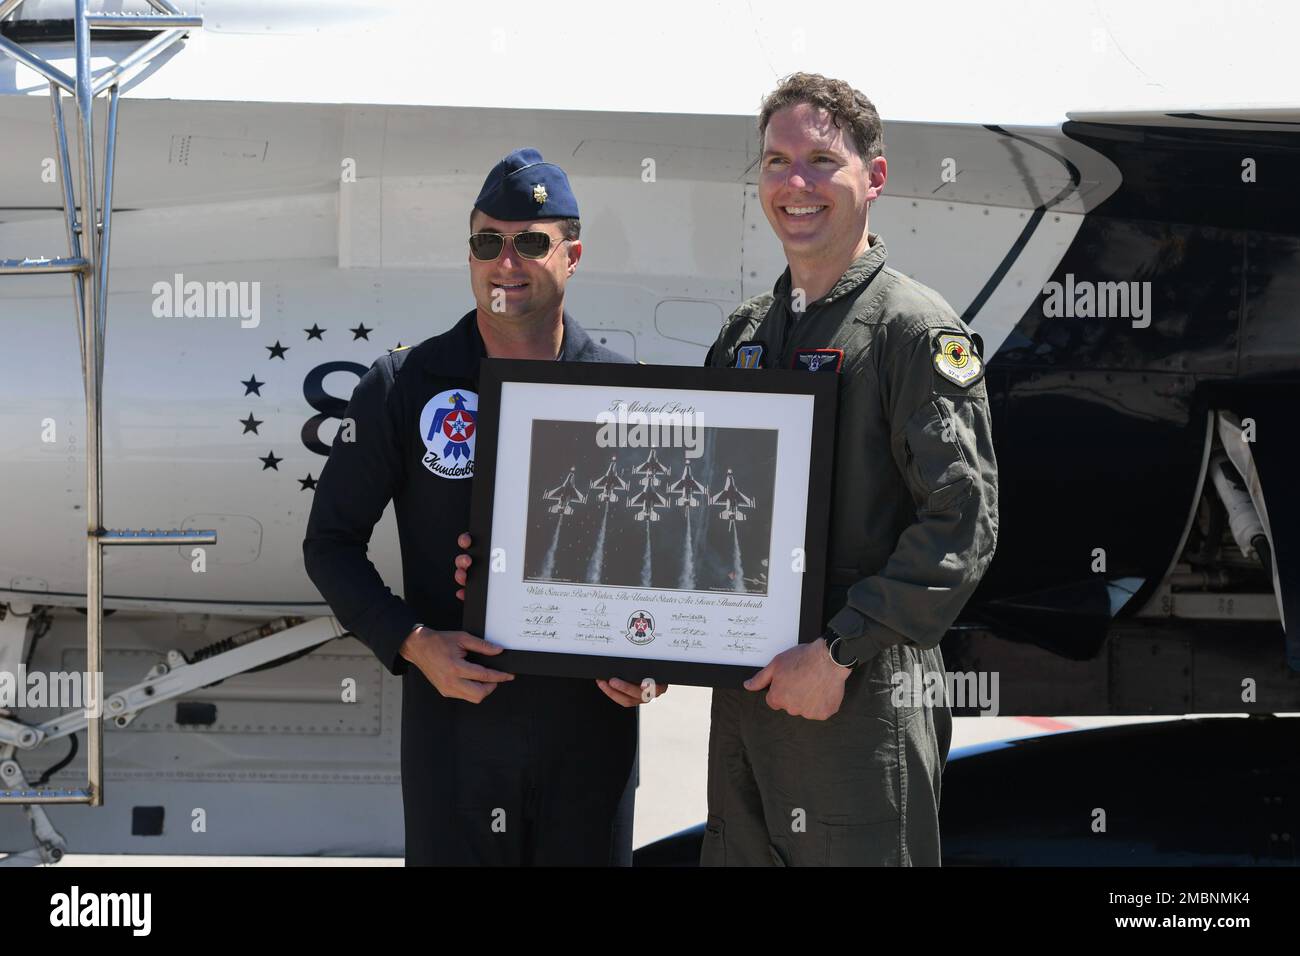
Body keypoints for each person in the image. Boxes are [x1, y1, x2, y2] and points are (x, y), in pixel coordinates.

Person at [303, 148, 660, 866]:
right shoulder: (405, 385)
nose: (507, 264)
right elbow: (330, 543)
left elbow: (665, 563)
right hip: (457, 739)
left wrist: (653, 659)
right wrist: (411, 642)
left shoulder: (626, 395)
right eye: (487, 243)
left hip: (591, 739)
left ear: (573, 254)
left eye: (531, 243)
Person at [698, 72, 999, 866]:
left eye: (821, 160)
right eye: (775, 161)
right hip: (749, 691)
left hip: (857, 692)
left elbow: (961, 521)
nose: (795, 183)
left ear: (876, 176)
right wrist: (645, 642)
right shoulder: (747, 336)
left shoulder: (914, 330)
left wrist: (836, 655)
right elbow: (696, 511)